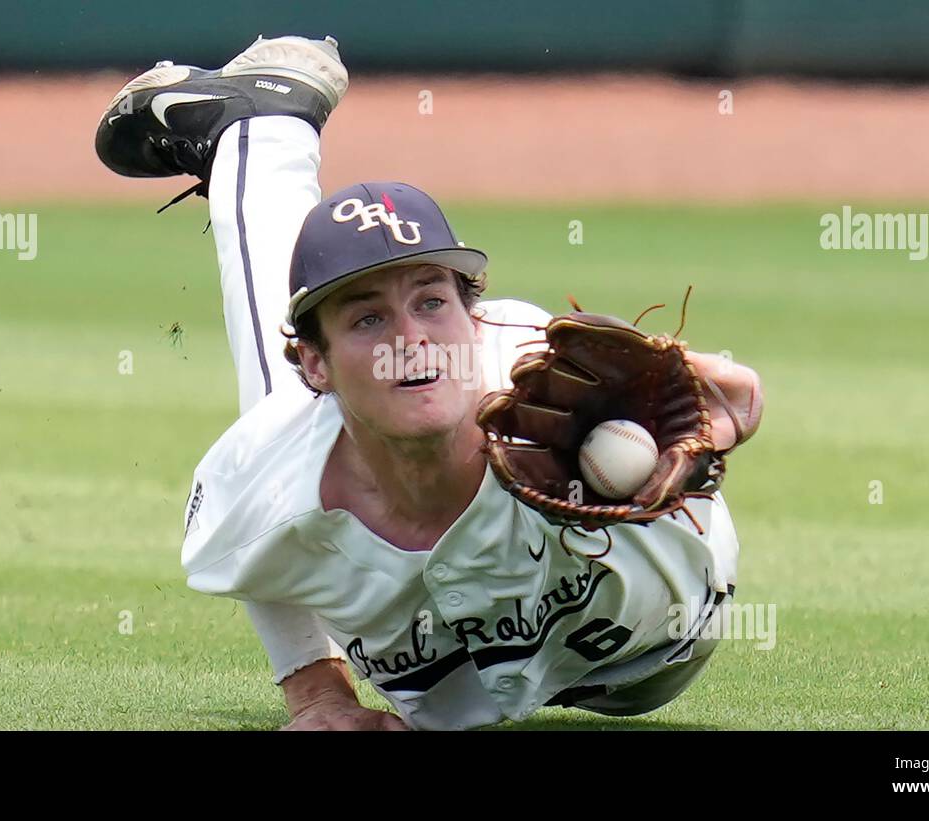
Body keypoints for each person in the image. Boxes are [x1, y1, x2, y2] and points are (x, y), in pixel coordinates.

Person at [95, 35, 763, 730]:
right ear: (318, 363)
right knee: (294, 424)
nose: (410, 339)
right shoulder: (257, 484)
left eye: (433, 301)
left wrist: (718, 421)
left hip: (649, 662)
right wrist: (317, 692)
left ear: (475, 319)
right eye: (370, 319)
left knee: (305, 400)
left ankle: (263, 136)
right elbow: (253, 548)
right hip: (330, 444)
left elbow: (720, 404)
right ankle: (264, 135)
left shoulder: (555, 397)